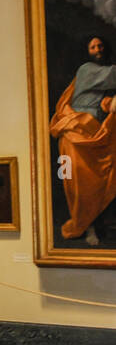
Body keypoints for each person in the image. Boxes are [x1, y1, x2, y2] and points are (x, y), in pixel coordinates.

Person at [49, 35, 116, 245]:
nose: (97, 49)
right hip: (75, 134)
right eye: (93, 46)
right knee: (79, 186)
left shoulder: (96, 79)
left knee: (96, 184)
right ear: (86, 52)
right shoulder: (87, 69)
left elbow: (98, 100)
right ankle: (86, 227)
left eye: (100, 46)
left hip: (92, 133)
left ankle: (96, 226)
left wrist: (108, 103)